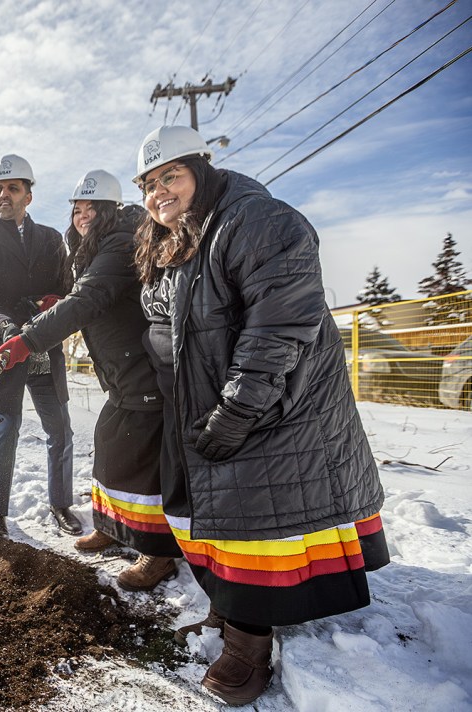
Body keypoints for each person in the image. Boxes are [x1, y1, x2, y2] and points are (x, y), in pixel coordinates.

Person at [132, 125, 389, 706]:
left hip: (274, 405)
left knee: (255, 521)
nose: (158, 192)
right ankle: (228, 610)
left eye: (169, 175)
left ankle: (250, 644)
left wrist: (239, 409)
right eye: (148, 183)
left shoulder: (258, 223)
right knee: (210, 514)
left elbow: (278, 325)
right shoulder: (178, 237)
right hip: (211, 399)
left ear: (202, 168)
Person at [0, 169, 181, 591]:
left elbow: (91, 297)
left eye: (92, 208)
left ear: (110, 210)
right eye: (78, 208)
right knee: (111, 446)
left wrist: (28, 339)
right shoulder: (95, 248)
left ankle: (159, 553)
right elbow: (85, 293)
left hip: (143, 368)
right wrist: (58, 302)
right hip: (123, 370)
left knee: (143, 462)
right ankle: (114, 526)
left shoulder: (120, 242)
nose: (82, 216)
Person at [0, 154, 79, 541]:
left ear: (28, 195)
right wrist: (4, 326)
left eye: (12, 188)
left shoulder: (50, 240)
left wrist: (54, 302)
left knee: (59, 429)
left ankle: (60, 504)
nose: (3, 195)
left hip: (44, 347)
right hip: (5, 351)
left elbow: (66, 287)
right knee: (5, 429)